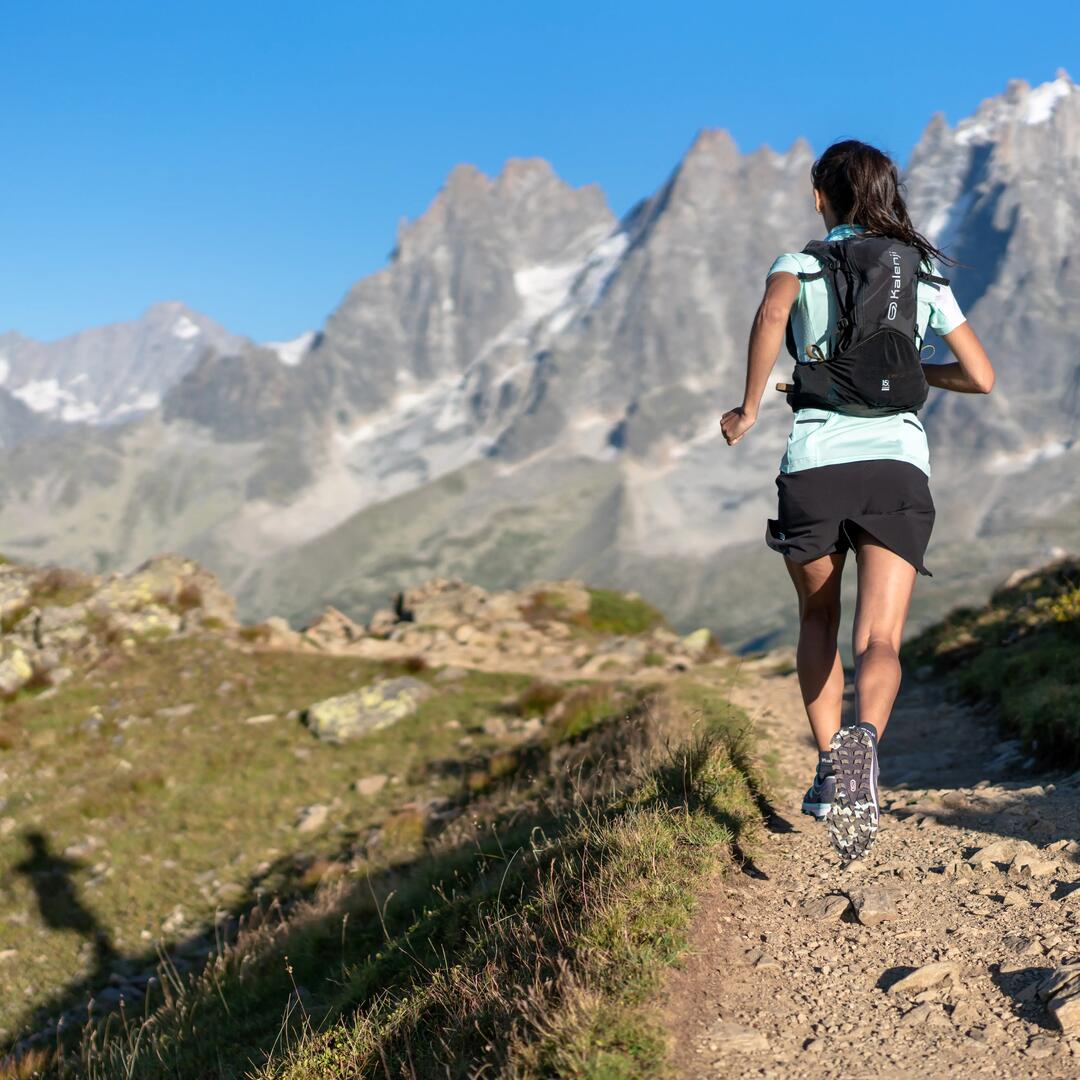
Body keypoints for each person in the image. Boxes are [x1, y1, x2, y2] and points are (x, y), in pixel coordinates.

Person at [720, 140, 995, 861]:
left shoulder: (799, 262)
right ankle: (863, 747)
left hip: (815, 464)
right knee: (880, 640)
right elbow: (983, 377)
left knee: (818, 618)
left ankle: (828, 765)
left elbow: (773, 313)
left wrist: (748, 407)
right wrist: (909, 372)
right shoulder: (923, 272)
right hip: (897, 467)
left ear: (821, 198)